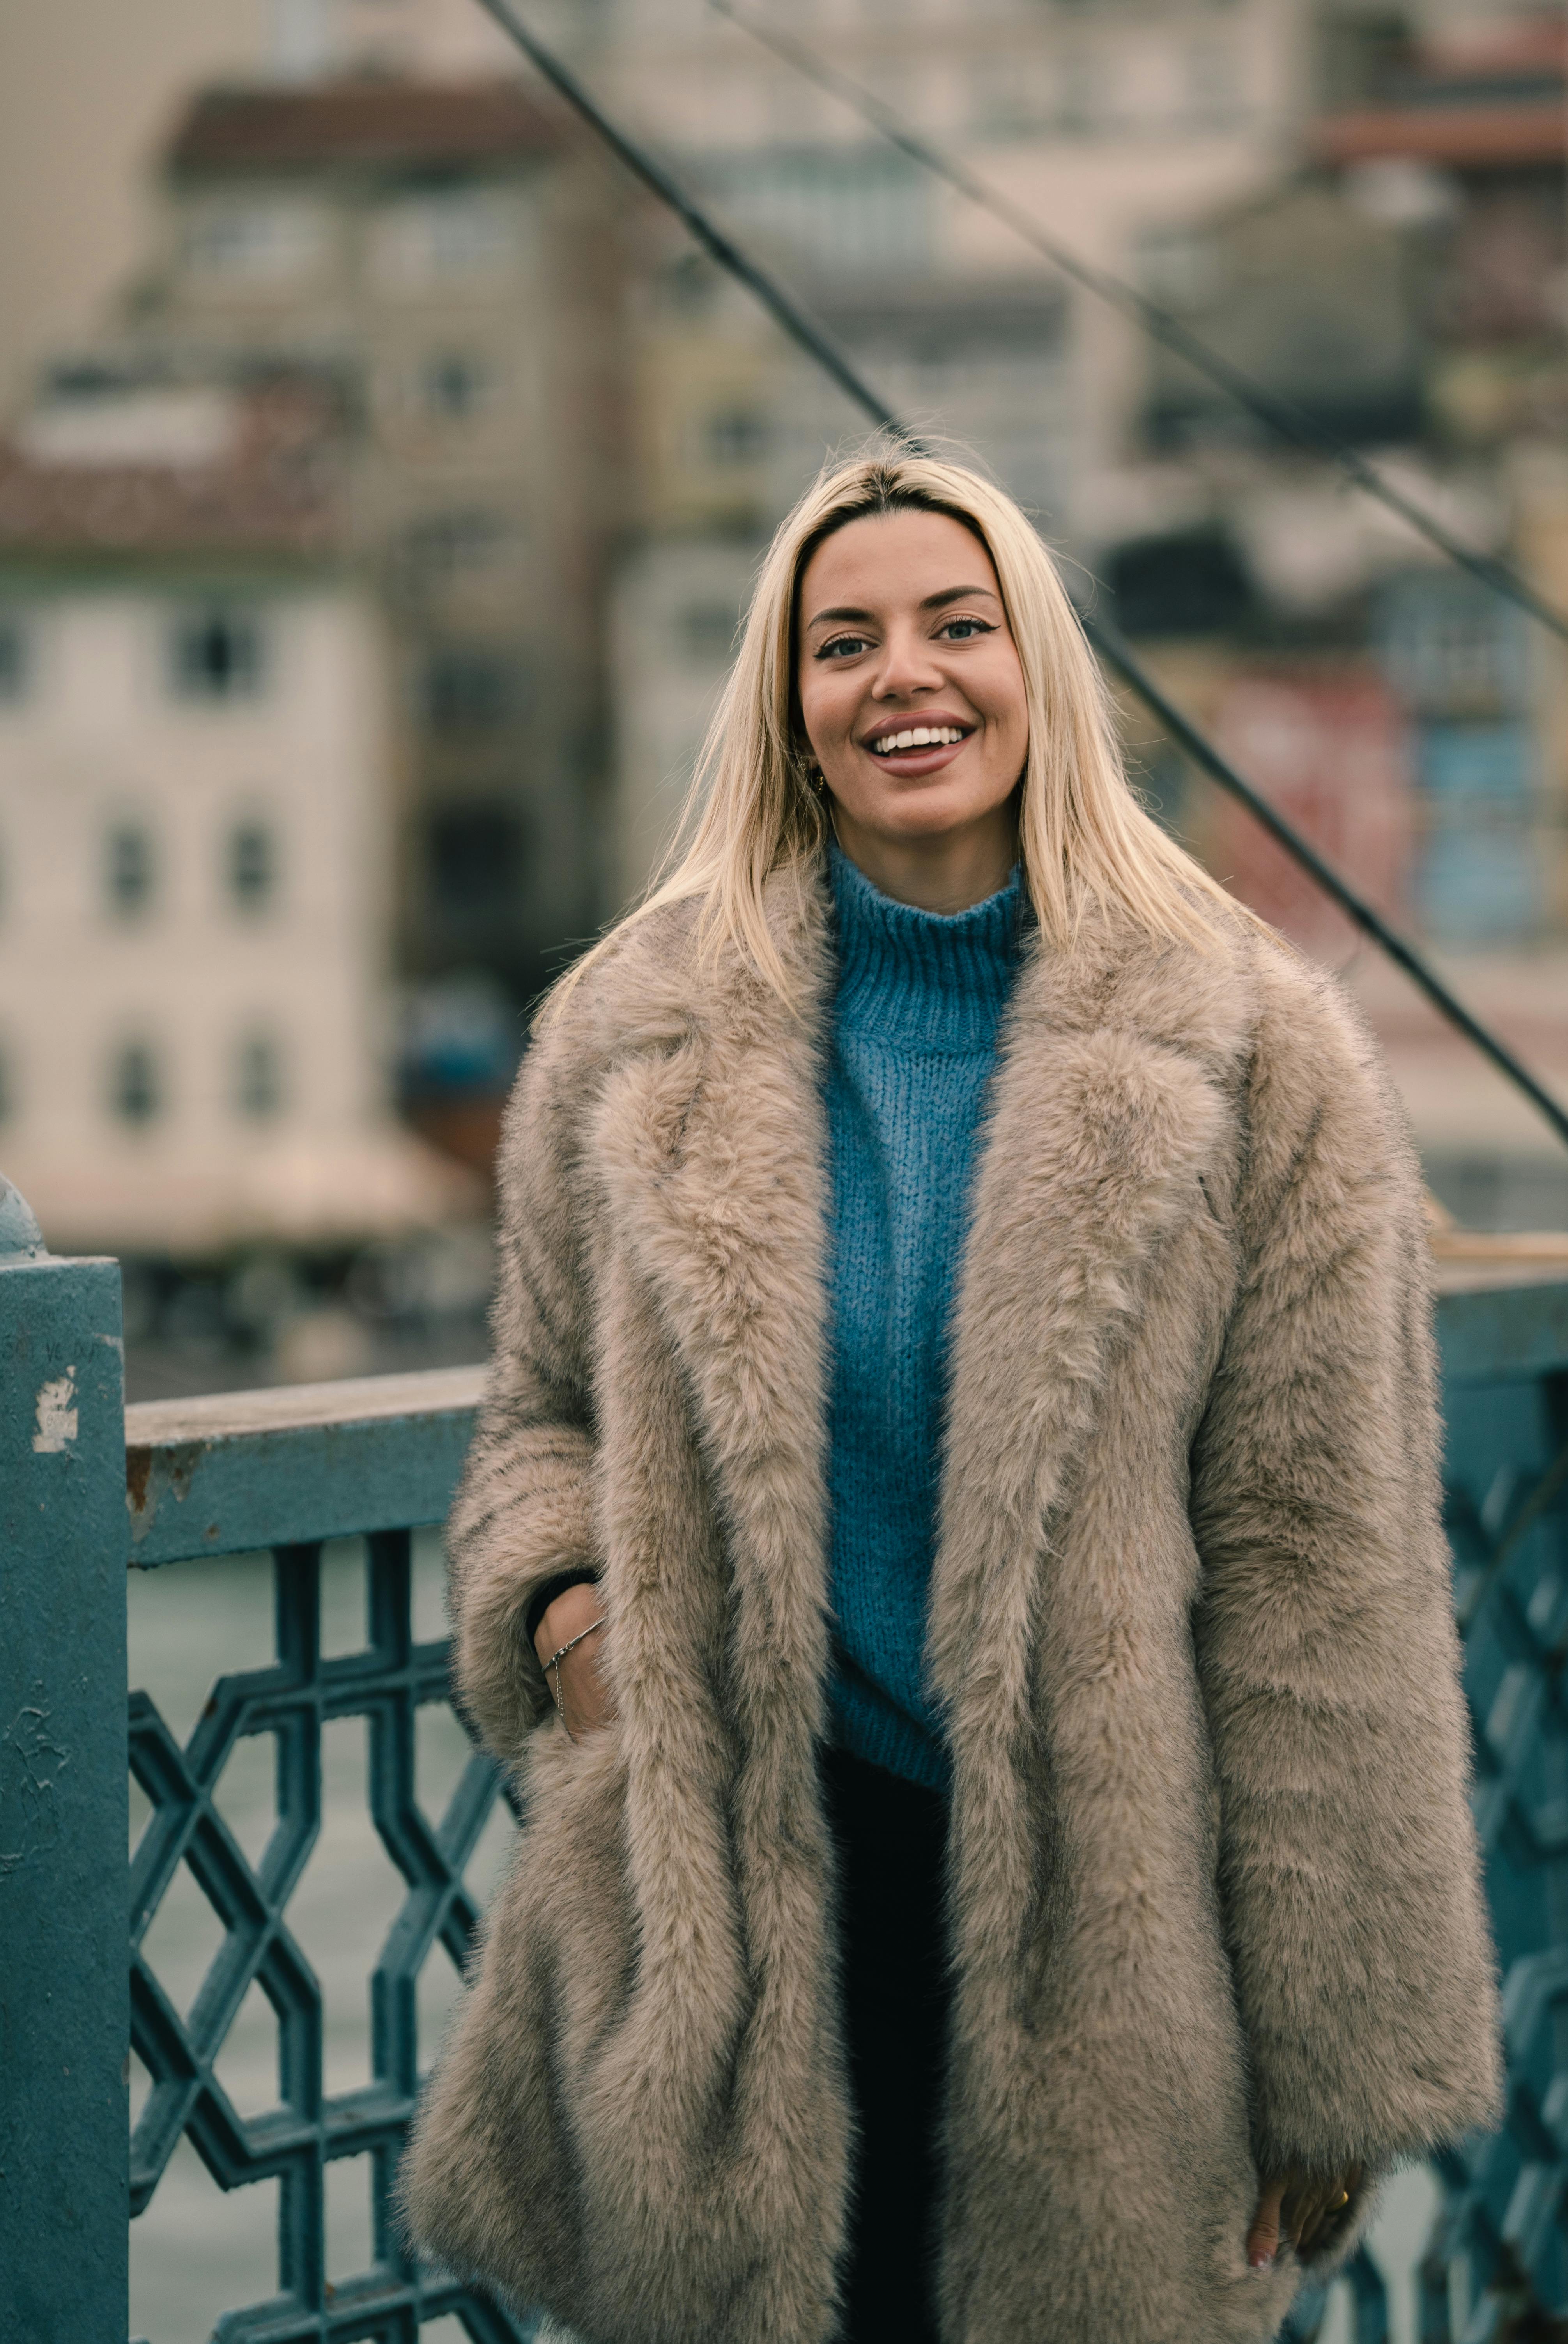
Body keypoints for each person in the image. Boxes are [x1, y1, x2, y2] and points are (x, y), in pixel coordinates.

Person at [402, 450, 1502, 2344]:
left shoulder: (1259, 1053)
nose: (901, 675)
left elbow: (1324, 1574)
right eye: (843, 645)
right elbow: (541, 1420)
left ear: (1038, 669)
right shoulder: (627, 1026)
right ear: (791, 710)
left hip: (1111, 1938)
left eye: (954, 625)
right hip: (733, 1905)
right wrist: (576, 1622)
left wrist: (1346, 2044)